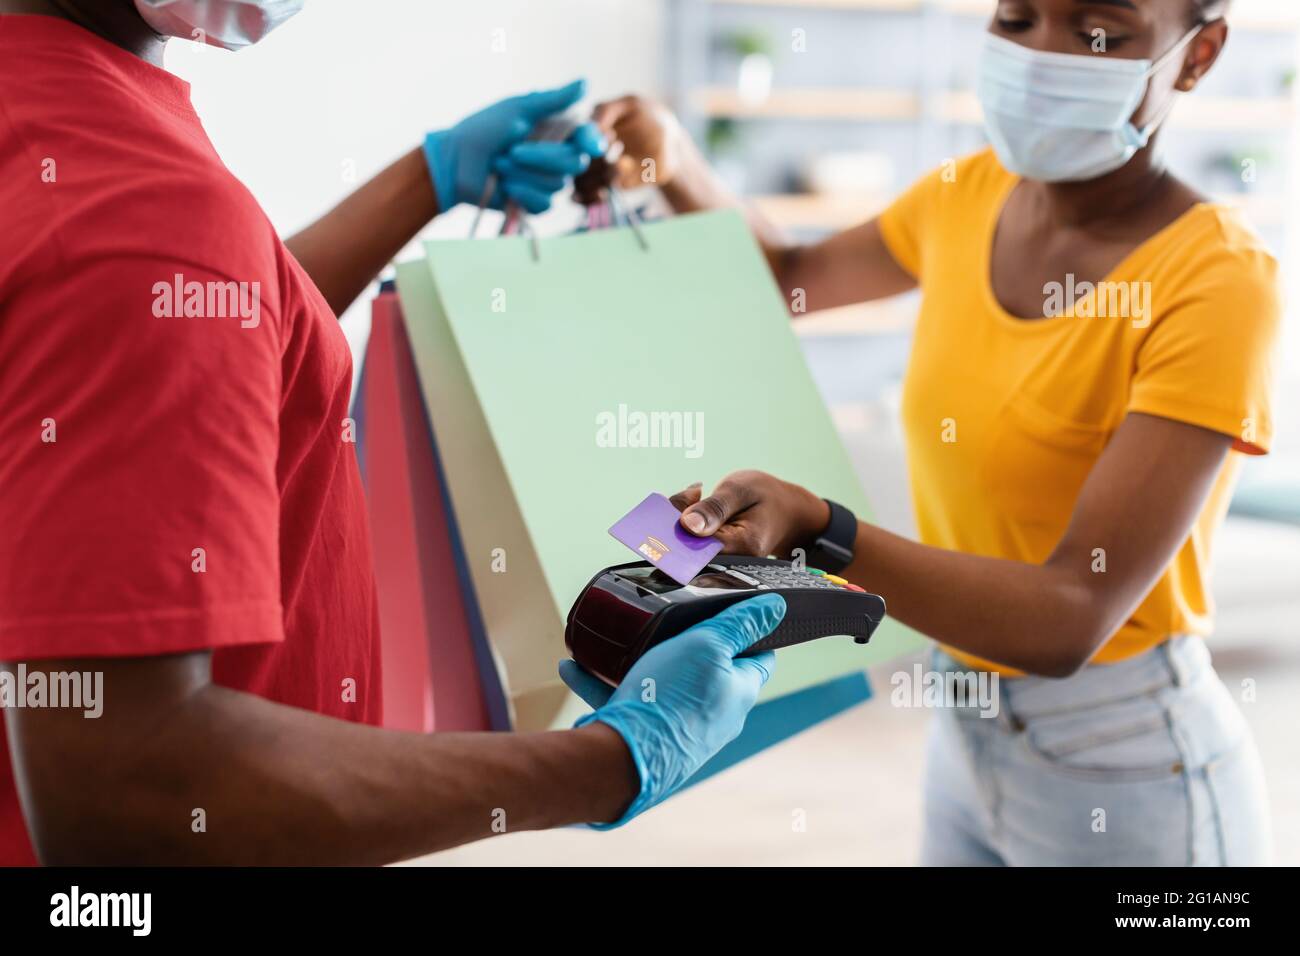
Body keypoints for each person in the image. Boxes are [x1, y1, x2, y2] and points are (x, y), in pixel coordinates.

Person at [0, 0, 784, 865]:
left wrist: (430, 177)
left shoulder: (59, 128)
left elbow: (197, 329)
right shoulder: (147, 217)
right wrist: (616, 759)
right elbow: (139, 790)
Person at [597, 0, 1277, 865]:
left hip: (1131, 759)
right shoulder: (967, 194)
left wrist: (823, 531)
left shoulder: (1219, 279)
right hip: (964, 720)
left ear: (1198, 54)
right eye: (1017, 16)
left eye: (1097, 30)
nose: (1040, 54)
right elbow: (793, 278)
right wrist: (674, 156)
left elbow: (1070, 617)